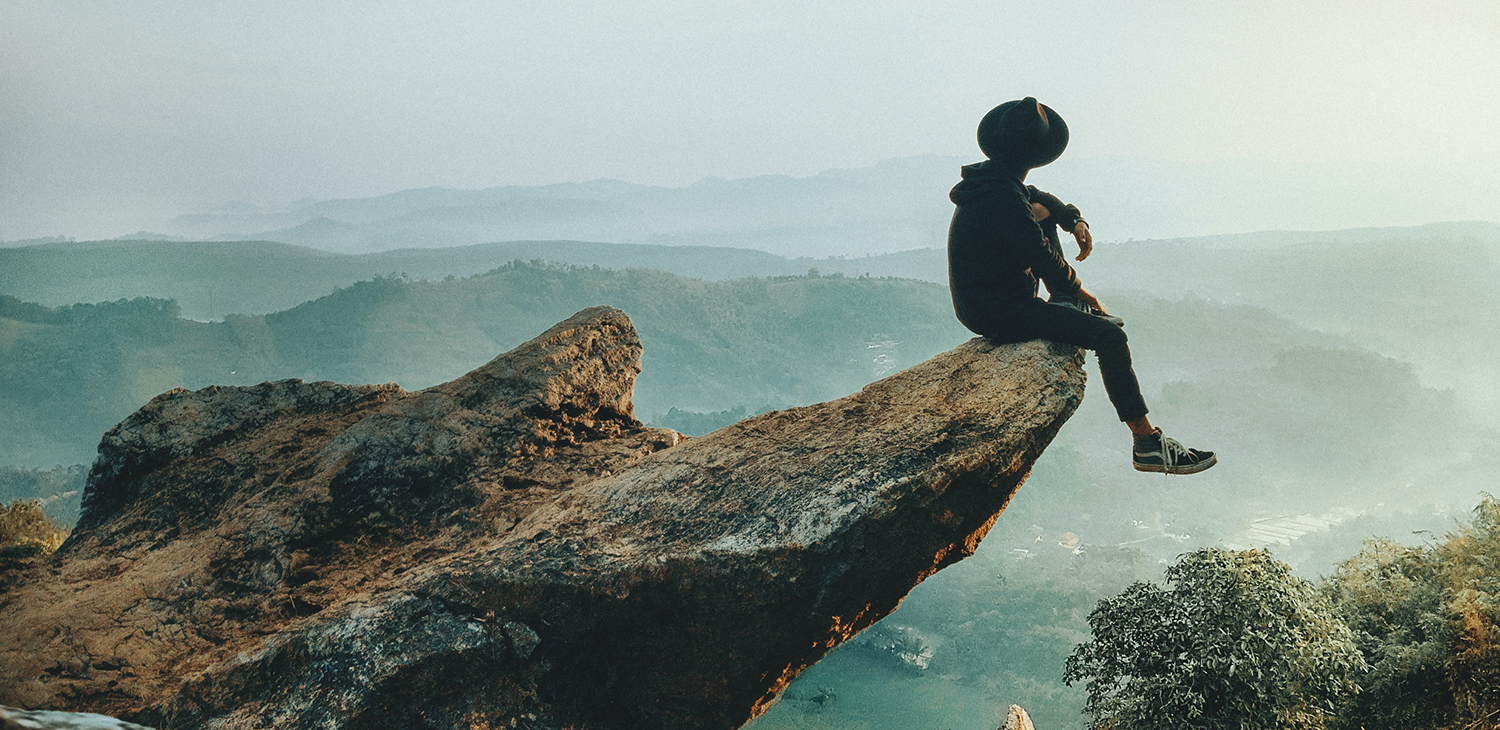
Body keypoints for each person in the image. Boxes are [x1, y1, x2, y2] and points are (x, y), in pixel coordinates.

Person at [946, 97, 1215, 474]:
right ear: (1038, 152)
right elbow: (1042, 258)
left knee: (1042, 214)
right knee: (1109, 338)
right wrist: (1079, 291)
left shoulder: (991, 182)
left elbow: (1042, 201)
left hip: (986, 302)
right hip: (999, 311)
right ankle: (1146, 442)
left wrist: (1074, 221)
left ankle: (1064, 306)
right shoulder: (1003, 197)